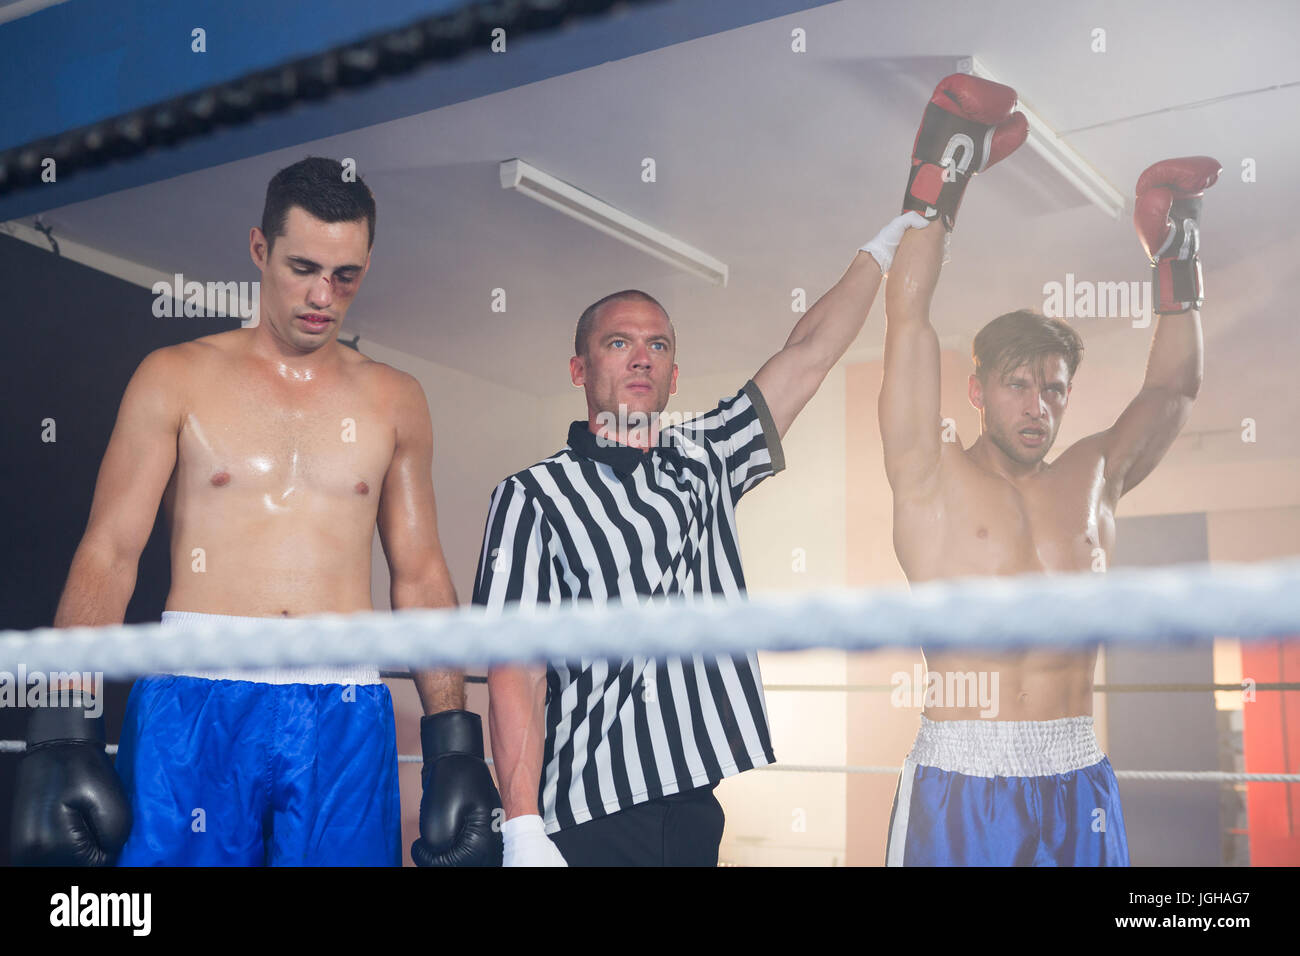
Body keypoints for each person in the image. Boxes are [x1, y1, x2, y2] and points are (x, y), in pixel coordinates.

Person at [10, 157, 501, 867]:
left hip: (343, 708)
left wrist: (454, 740)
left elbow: (421, 575)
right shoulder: (175, 374)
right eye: (302, 267)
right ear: (258, 249)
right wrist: (61, 728)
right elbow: (109, 551)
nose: (322, 296)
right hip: (195, 702)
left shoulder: (397, 398)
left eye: (345, 276)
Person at [477, 191, 928, 864]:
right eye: (618, 343)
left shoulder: (708, 457)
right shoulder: (532, 496)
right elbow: (517, 669)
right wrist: (520, 826)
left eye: (657, 345)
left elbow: (808, 353)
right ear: (580, 369)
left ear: (674, 374)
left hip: (692, 809)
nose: (640, 358)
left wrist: (878, 253)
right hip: (584, 813)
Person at [879, 74, 1219, 865]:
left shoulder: (1093, 477)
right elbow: (908, 316)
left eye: (1054, 390)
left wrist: (1177, 258)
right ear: (978, 390)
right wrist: (942, 177)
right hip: (963, 785)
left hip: (1078, 778)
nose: (1039, 406)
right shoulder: (929, 477)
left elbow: (1173, 388)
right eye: (1019, 384)